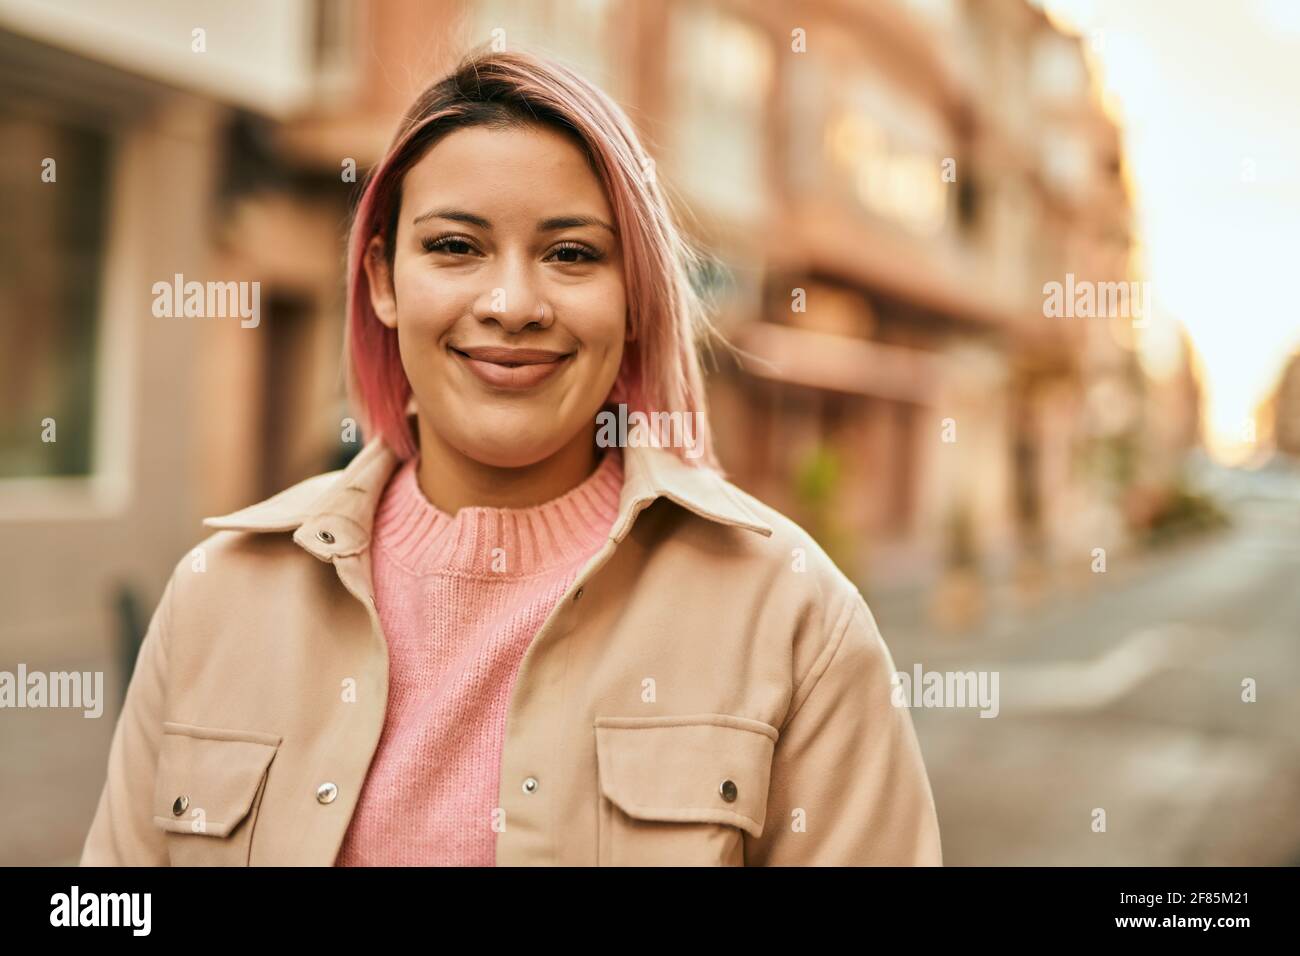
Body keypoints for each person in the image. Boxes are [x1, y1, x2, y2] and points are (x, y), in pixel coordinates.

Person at [80, 46, 941, 867]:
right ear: (382, 279)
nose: (511, 303)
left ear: (635, 297)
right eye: (455, 247)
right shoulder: (218, 598)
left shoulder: (793, 618)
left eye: (572, 255)